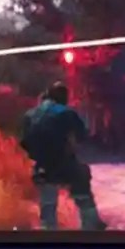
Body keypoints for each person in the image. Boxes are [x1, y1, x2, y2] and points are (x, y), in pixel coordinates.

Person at [20, 82, 108, 231]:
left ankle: (48, 229)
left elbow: (24, 142)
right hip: (62, 162)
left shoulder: (29, 114)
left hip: (41, 165)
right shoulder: (66, 112)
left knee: (47, 202)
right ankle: (91, 225)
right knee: (81, 180)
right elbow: (82, 137)